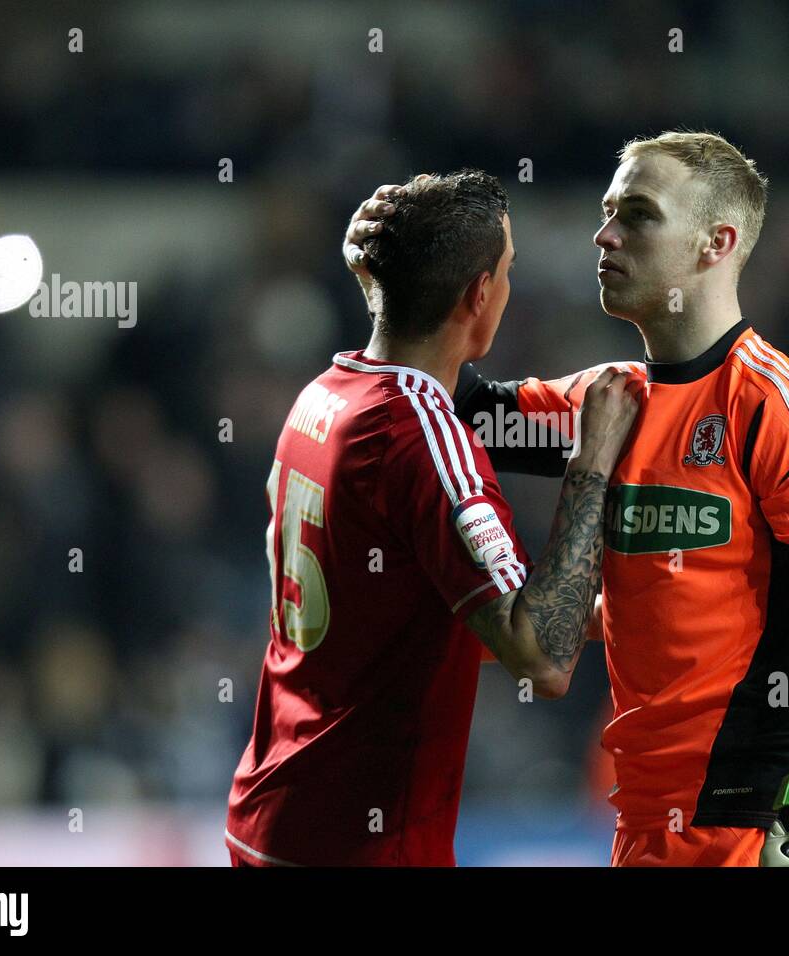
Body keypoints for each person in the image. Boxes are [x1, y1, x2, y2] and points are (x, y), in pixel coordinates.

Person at [344, 133, 789, 867]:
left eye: (637, 214)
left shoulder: (785, 413)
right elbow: (450, 403)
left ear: (716, 243)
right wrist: (394, 284)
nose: (604, 234)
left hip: (756, 833)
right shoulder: (607, 401)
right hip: (639, 830)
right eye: (607, 211)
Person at [227, 169, 639, 866]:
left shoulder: (322, 398)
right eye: (507, 270)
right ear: (481, 294)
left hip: (271, 814)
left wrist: (639, 612)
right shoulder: (422, 436)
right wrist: (591, 461)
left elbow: (401, 617)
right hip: (364, 843)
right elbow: (540, 659)